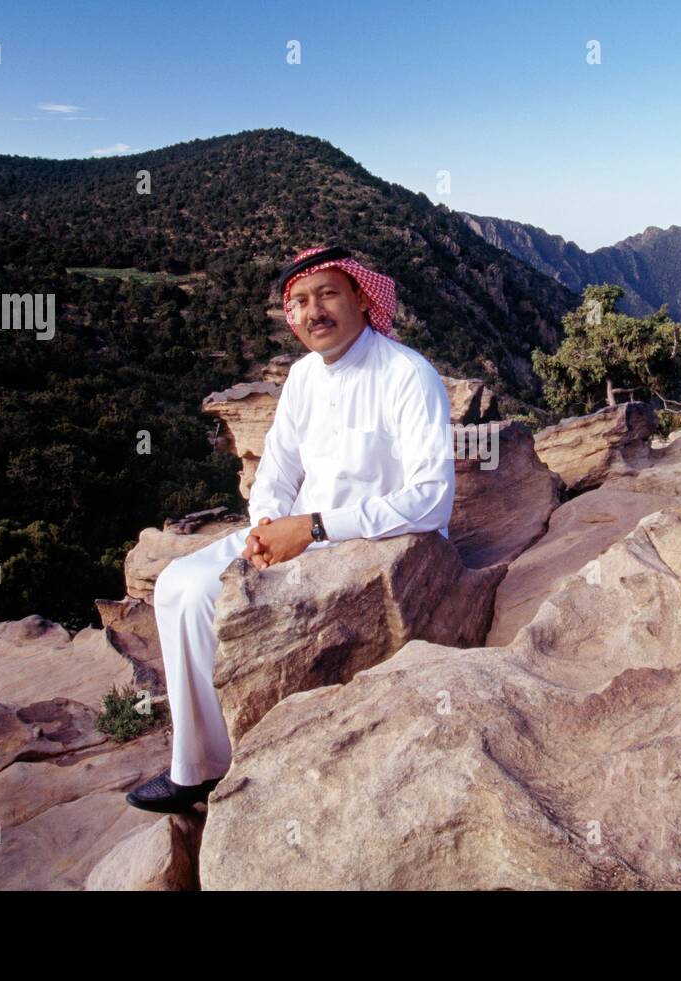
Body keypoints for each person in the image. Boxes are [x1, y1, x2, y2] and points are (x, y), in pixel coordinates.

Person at [125, 246, 456, 812]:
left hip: (363, 541)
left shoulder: (408, 374)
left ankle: (207, 767)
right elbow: (276, 468)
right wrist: (265, 528)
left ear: (359, 296)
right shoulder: (303, 376)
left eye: (327, 294)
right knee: (179, 584)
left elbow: (430, 499)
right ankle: (198, 763)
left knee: (210, 598)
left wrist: (313, 528)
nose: (314, 312)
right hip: (294, 532)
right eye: (299, 302)